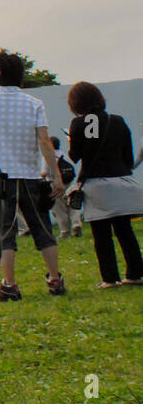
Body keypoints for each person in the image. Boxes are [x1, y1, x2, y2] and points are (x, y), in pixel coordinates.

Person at [0, 51, 66, 300]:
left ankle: (9, 285)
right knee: (42, 227)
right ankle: (55, 280)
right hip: (29, 173)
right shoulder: (34, 102)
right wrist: (56, 175)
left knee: (6, 232)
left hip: (0, 174)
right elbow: (45, 142)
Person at [66, 82, 143, 288]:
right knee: (125, 231)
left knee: (102, 236)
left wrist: (73, 138)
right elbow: (128, 156)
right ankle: (135, 274)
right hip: (121, 182)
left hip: (96, 185)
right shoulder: (118, 121)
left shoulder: (79, 123)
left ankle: (110, 278)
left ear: (76, 103)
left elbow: (76, 156)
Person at [45, 136, 82, 238]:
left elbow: (44, 172)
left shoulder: (48, 156)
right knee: (72, 207)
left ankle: (65, 232)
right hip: (69, 184)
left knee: (60, 210)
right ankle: (76, 224)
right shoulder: (65, 155)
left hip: (55, 185)